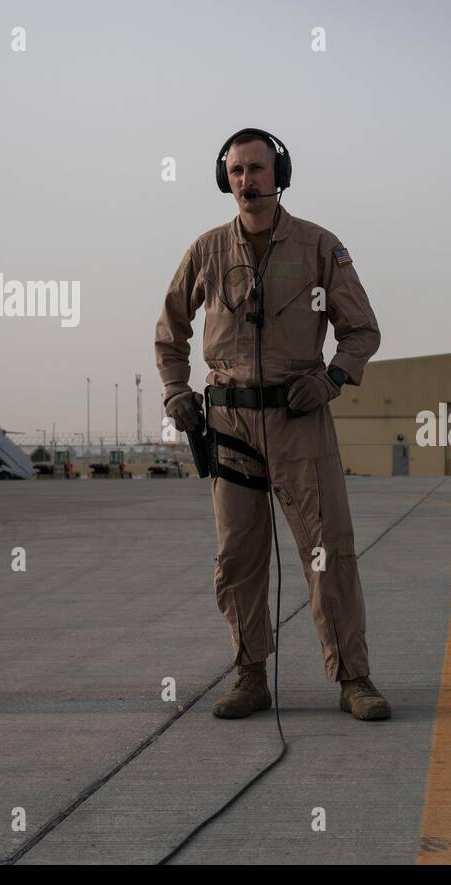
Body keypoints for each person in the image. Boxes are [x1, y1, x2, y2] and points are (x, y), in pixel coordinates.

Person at [154, 128, 390, 721]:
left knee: (327, 553)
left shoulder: (318, 247)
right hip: (229, 424)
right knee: (238, 558)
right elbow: (169, 331)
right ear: (223, 179)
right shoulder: (206, 251)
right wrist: (176, 390)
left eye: (256, 169)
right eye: (235, 172)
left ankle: (353, 678)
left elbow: (362, 330)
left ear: (278, 174)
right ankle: (250, 674)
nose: (246, 182)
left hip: (298, 420)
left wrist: (333, 379)